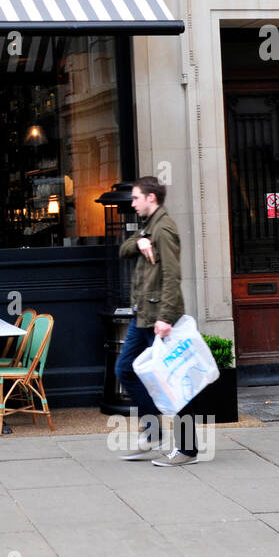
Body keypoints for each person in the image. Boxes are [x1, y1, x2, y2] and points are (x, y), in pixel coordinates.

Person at [115, 176, 201, 466]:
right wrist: (139, 241)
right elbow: (123, 250)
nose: (132, 202)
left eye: (136, 197)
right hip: (143, 316)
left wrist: (166, 317)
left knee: (173, 382)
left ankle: (188, 449)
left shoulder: (163, 228)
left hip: (158, 318)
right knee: (125, 369)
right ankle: (154, 435)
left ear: (151, 198)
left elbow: (172, 277)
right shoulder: (148, 227)